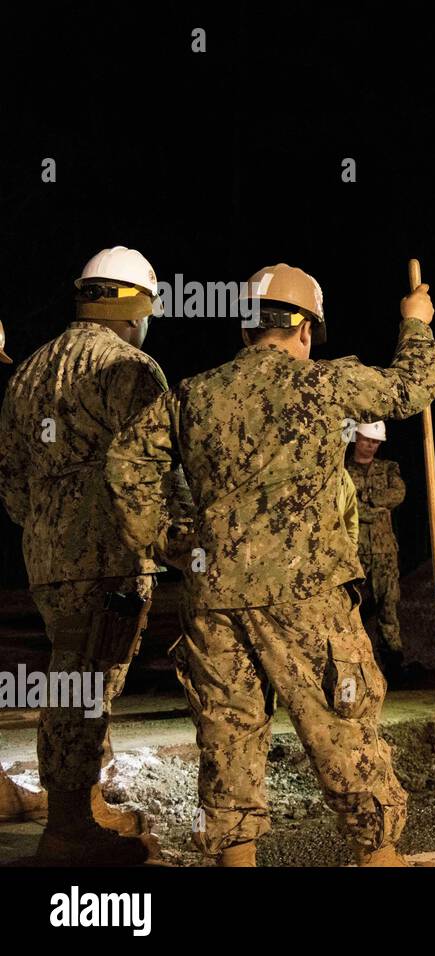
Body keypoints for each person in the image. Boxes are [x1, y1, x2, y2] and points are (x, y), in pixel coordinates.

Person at [106, 263, 435, 867]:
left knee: (229, 740)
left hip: (212, 602)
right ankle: (380, 861)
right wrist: (413, 323)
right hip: (305, 594)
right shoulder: (324, 384)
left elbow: (127, 466)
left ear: (245, 329)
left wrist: (172, 541)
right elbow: (410, 388)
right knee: (344, 734)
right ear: (306, 330)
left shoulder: (192, 394)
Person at [0, 247, 188, 864]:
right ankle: (68, 828)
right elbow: (151, 468)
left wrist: (47, 528)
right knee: (85, 683)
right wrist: (183, 539)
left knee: (75, 674)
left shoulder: (27, 371)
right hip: (107, 553)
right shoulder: (130, 369)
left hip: (47, 557)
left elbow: (11, 480)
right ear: (137, 306)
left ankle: (84, 805)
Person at [346, 421, 406, 670]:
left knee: (388, 605)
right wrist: (372, 510)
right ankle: (352, 661)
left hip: (384, 551)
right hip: (354, 550)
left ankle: (392, 662)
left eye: (375, 442)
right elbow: (342, 505)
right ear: (356, 438)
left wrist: (370, 500)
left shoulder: (389, 468)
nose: (370, 445)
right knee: (351, 607)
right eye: (366, 440)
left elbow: (398, 493)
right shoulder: (343, 469)